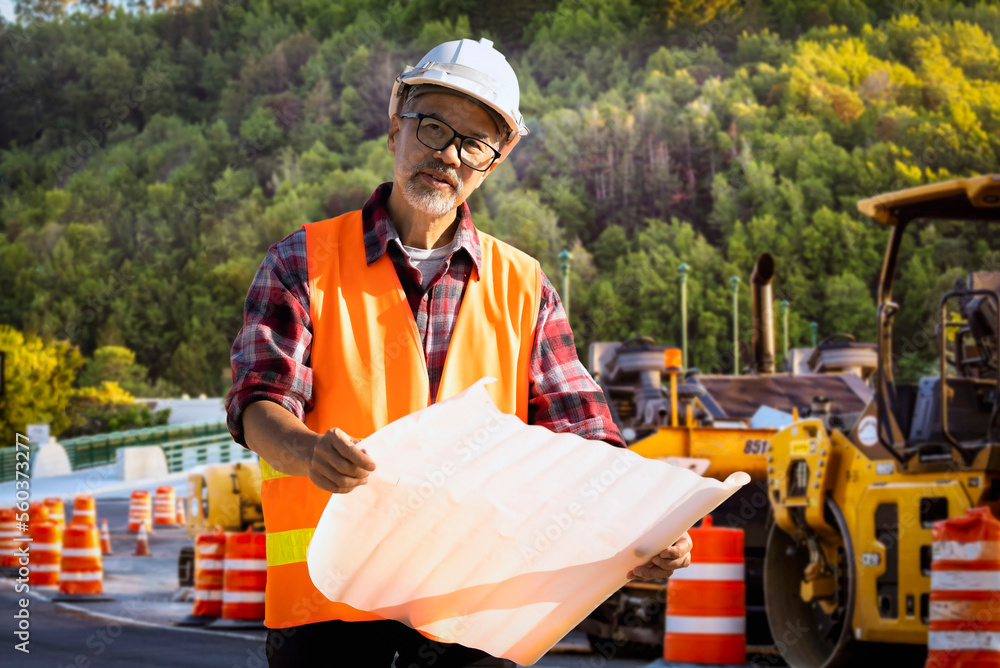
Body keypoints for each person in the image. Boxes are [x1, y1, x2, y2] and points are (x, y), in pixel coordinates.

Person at [225, 37, 693, 668]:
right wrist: (309, 452)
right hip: (330, 615)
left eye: (474, 142)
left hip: (472, 615)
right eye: (433, 127)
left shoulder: (525, 288)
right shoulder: (302, 262)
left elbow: (584, 436)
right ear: (395, 128)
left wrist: (641, 530)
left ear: (494, 162)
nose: (448, 154)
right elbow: (259, 402)